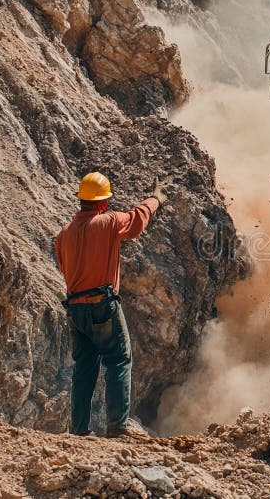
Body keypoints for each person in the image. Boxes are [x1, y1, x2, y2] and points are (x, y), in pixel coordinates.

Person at [55, 172, 168, 437]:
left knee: (84, 368)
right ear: (103, 202)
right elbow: (136, 220)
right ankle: (117, 428)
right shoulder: (108, 222)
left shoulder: (64, 235)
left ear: (81, 200)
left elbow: (65, 269)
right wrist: (156, 199)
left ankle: (79, 430)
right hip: (102, 305)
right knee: (118, 360)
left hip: (75, 309)